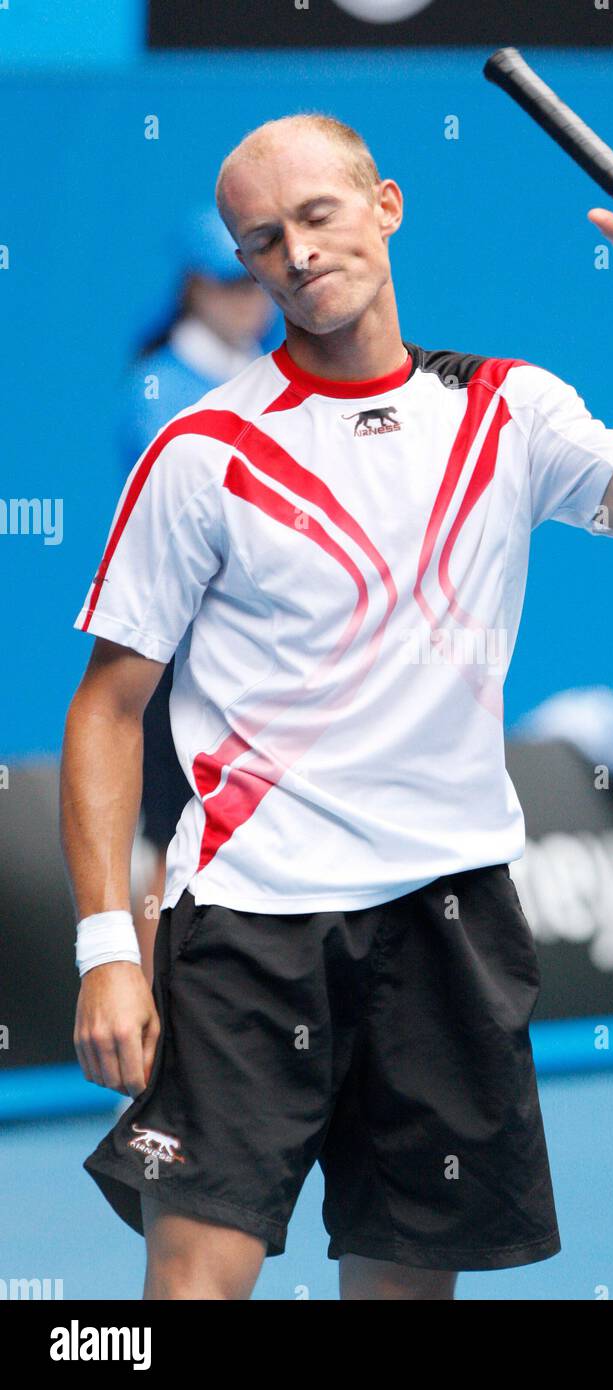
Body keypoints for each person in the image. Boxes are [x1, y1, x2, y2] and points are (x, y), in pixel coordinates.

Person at [60, 112, 613, 1301]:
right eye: (263, 239)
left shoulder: (508, 410)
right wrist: (110, 946)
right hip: (250, 931)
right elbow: (109, 709)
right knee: (191, 1291)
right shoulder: (201, 450)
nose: (299, 253)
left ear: (387, 206)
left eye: (319, 215)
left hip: (449, 925)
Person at [118, 209, 275, 979]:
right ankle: (152, 1039)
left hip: (267, 663)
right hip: (182, 663)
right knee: (172, 847)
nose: (249, 298)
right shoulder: (159, 391)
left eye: (258, 279)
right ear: (192, 286)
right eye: (228, 280)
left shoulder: (276, 377)